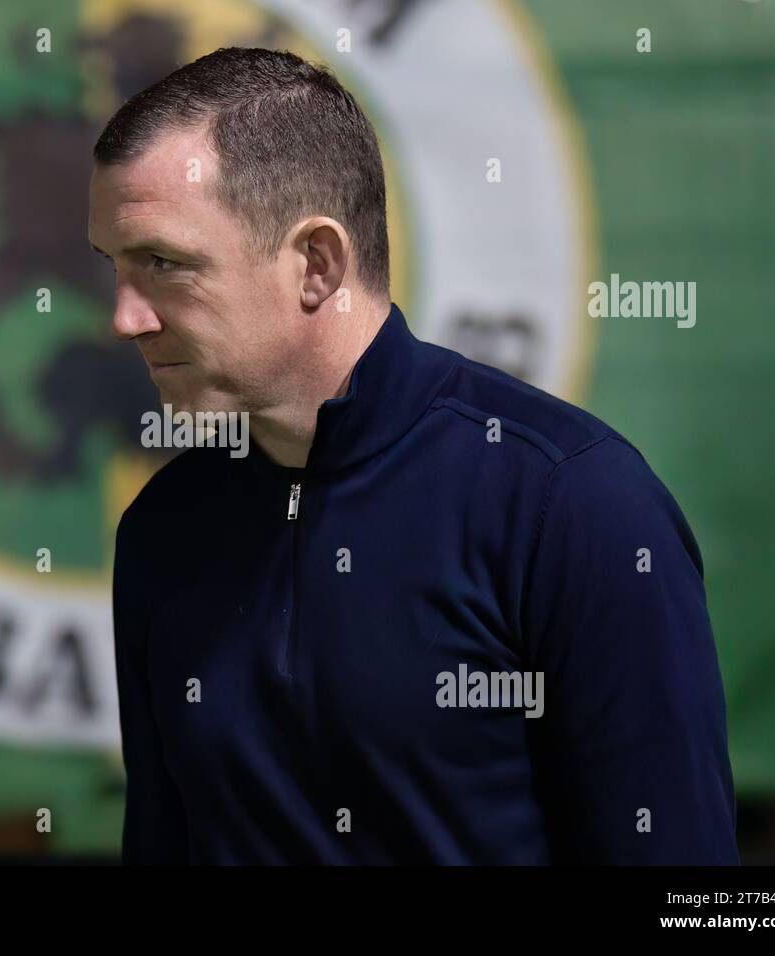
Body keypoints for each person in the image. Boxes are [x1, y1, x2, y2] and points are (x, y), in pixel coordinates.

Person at [89, 46, 738, 864]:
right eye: (114, 267)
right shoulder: (164, 529)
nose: (124, 318)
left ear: (317, 265)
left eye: (163, 263)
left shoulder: (573, 504)